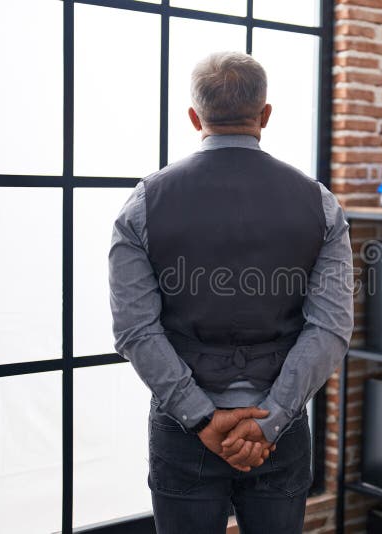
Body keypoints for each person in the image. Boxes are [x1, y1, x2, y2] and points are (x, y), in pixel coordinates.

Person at [109, 51, 353, 533]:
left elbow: (135, 331)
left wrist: (202, 419)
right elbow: (330, 327)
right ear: (265, 115)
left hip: (184, 432)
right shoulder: (320, 204)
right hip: (276, 433)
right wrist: (270, 420)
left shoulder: (142, 203)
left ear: (194, 117)